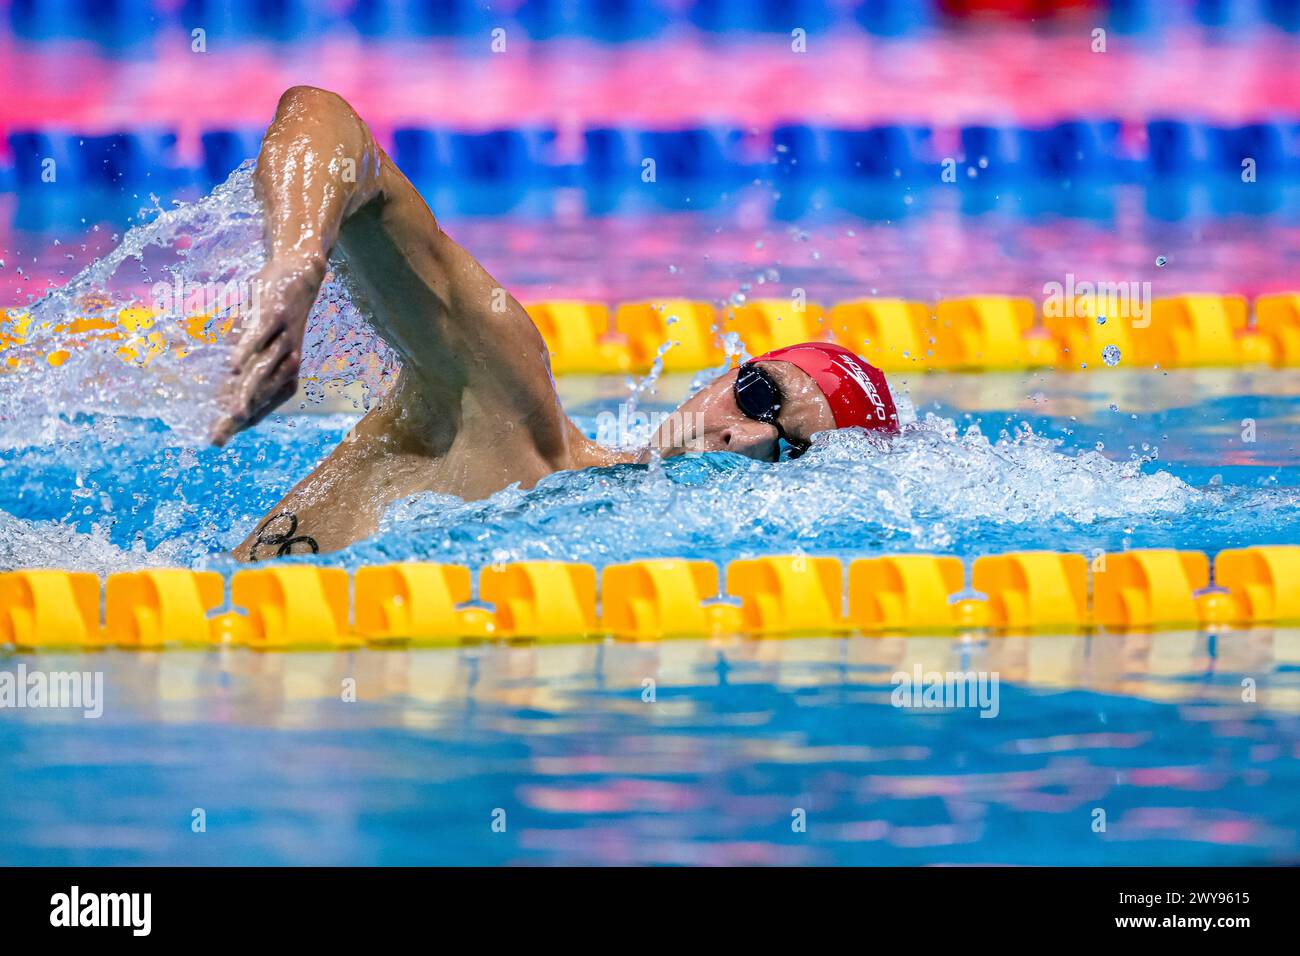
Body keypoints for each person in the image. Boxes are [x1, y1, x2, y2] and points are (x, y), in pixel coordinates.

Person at [216, 87, 899, 560]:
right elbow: (322, 118)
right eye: (759, 395)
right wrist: (301, 257)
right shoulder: (503, 409)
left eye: (789, 450)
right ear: (729, 372)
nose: (738, 432)